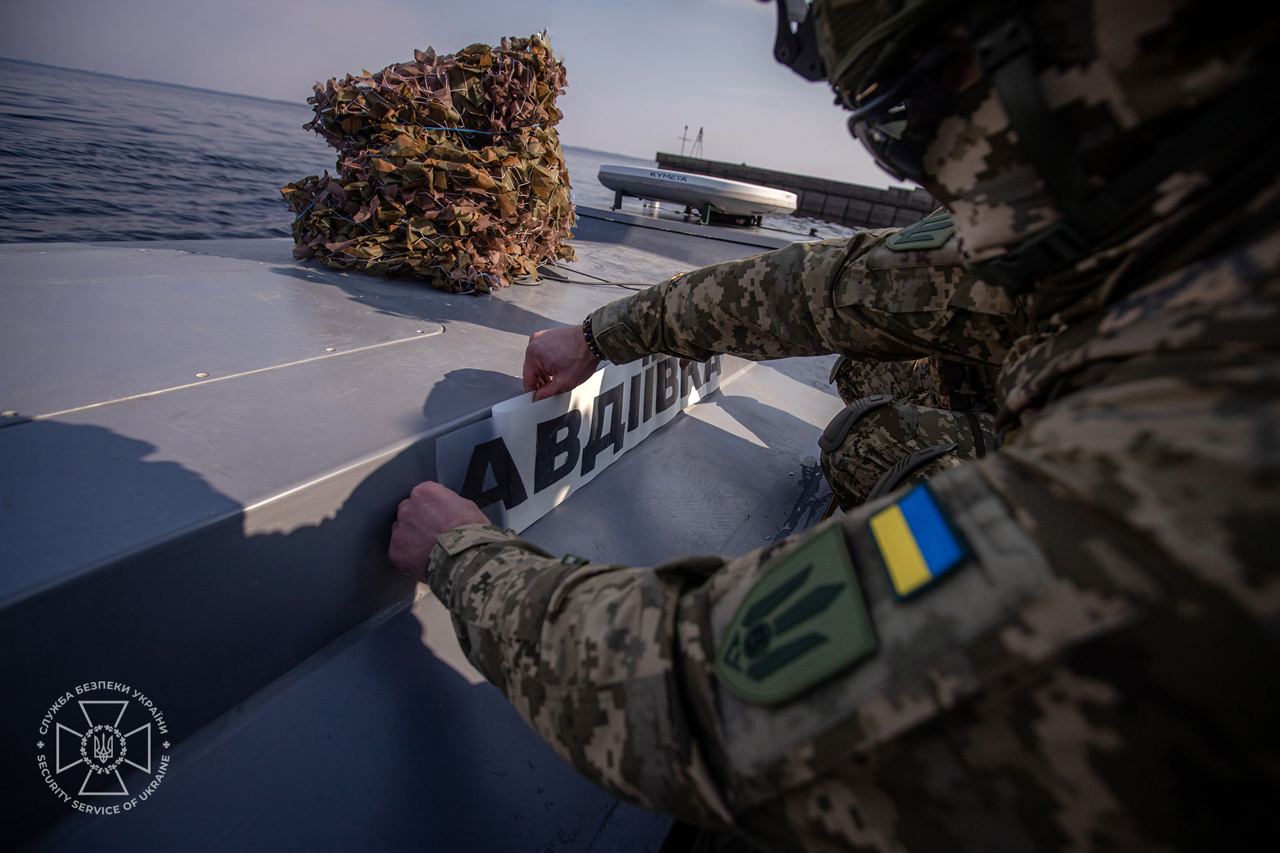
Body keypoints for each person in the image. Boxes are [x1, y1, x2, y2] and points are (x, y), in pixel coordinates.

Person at [390, 0, 1280, 848]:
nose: (925, 178)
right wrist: (601, 333)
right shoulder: (1164, 218)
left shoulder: (1186, 479)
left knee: (873, 441)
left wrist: (464, 557)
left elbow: (698, 699)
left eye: (918, 115)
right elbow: (833, 287)